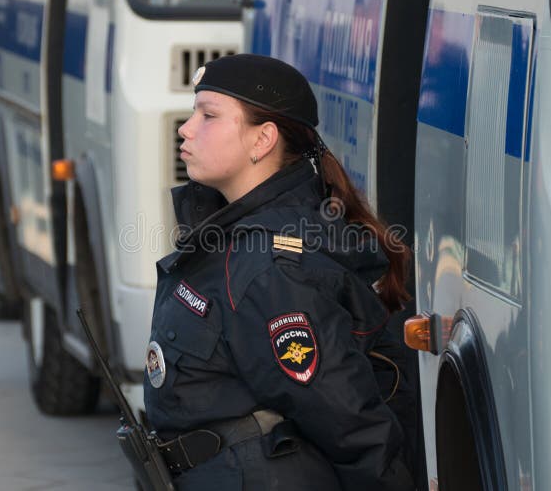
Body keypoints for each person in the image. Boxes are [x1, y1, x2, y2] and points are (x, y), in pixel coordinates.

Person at [143, 53, 416, 491]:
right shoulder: (231, 236)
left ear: (263, 139)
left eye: (208, 115)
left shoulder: (273, 266)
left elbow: (347, 422)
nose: (186, 128)